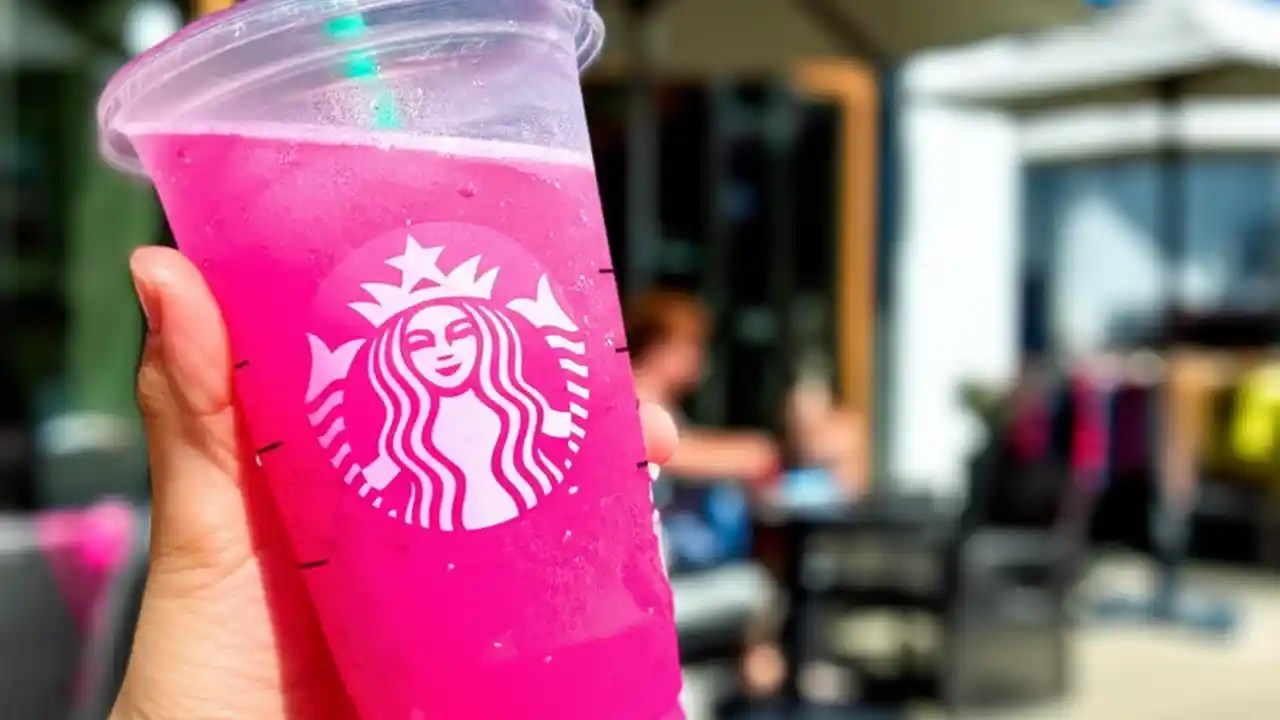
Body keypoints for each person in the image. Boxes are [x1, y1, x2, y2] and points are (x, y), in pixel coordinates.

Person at [110, 247, 677, 720]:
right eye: (421, 343)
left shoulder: (545, 422)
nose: (444, 351)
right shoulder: (390, 459)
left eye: (458, 331)